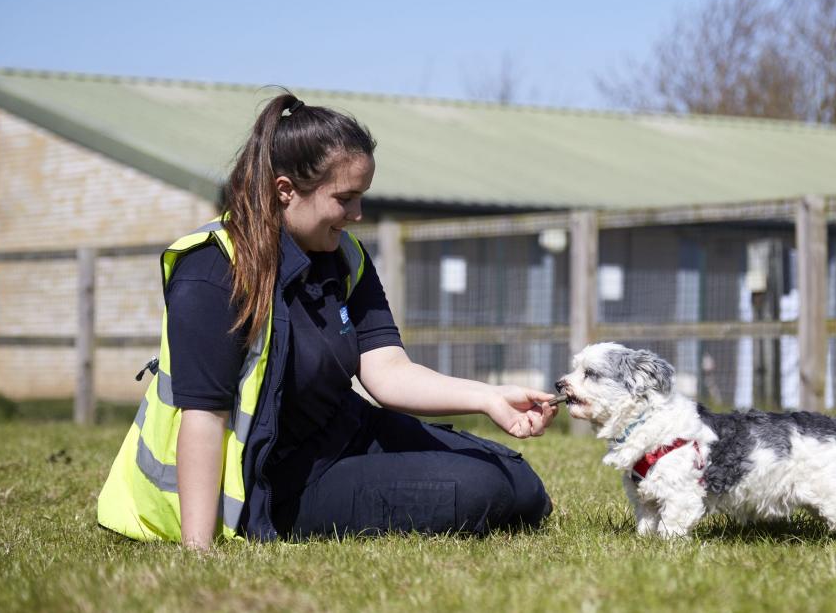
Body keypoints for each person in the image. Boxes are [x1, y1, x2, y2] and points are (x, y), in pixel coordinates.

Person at [98, 94, 556, 549]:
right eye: (346, 199)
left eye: (362, 197)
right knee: (484, 490)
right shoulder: (214, 270)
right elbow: (204, 416)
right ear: (285, 190)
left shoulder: (346, 257)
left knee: (519, 482)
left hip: (344, 434)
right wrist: (198, 551)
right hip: (278, 481)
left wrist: (489, 398)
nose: (357, 215)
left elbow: (389, 372)